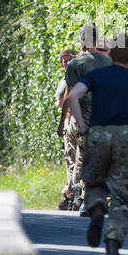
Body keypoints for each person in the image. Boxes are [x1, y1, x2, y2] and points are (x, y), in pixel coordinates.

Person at [65, 35, 128, 255]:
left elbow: (73, 97)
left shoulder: (96, 75)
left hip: (97, 134)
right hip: (123, 137)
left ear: (110, 53)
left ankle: (96, 207)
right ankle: (113, 242)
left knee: (96, 182)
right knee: (122, 193)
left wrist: (82, 125)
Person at [60, 24, 112, 213]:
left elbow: (70, 96)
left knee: (82, 156)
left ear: (82, 40)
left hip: (84, 113)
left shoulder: (75, 64)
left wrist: (63, 122)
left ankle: (81, 196)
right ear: (97, 40)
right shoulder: (108, 62)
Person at [54, 49, 78, 210]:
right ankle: (70, 194)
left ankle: (70, 194)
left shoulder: (73, 77)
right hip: (71, 120)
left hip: (75, 120)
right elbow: (60, 102)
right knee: (71, 159)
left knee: (75, 160)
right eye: (64, 61)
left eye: (69, 60)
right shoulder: (64, 81)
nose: (66, 63)